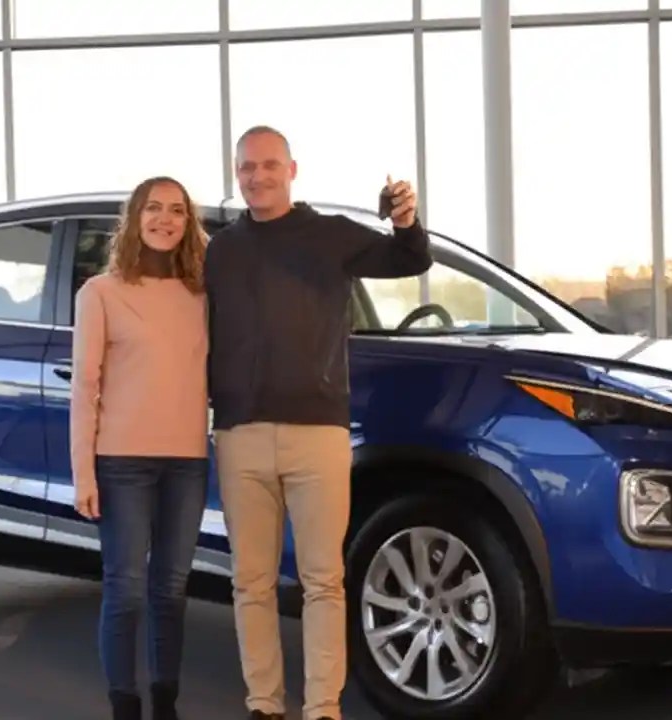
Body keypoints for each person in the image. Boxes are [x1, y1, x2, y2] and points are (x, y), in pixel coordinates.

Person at [204, 126, 432, 720]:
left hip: (318, 435)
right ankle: (264, 703)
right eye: (247, 167)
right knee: (249, 582)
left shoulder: (330, 235)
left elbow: (409, 257)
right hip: (240, 436)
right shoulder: (220, 249)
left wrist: (405, 216)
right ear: (237, 173)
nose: (257, 176)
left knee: (323, 581)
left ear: (292, 169)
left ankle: (323, 707)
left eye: (268, 165)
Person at [70, 176, 211, 720]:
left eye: (177, 211)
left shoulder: (202, 295)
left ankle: (166, 704)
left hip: (187, 462)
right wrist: (85, 472)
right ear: (134, 218)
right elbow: (85, 388)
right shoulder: (100, 293)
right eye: (153, 209)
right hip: (121, 462)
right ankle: (124, 704)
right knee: (125, 588)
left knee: (171, 590)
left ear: (188, 223)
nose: (164, 220)